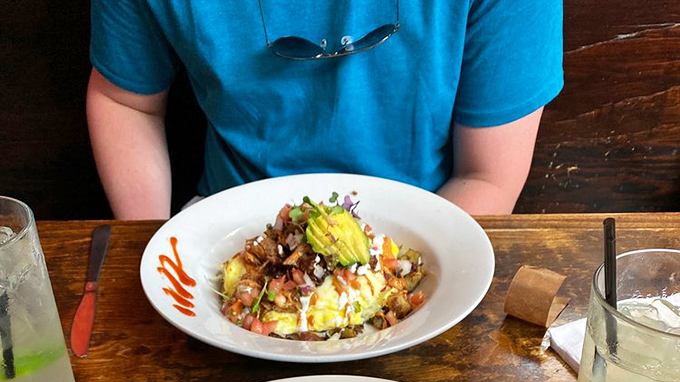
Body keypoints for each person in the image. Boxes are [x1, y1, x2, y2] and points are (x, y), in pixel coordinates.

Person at [87, 0, 563, 220]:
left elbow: (488, 177)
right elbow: (124, 102)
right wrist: (152, 247)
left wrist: (373, 278)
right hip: (223, 230)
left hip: (426, 231)